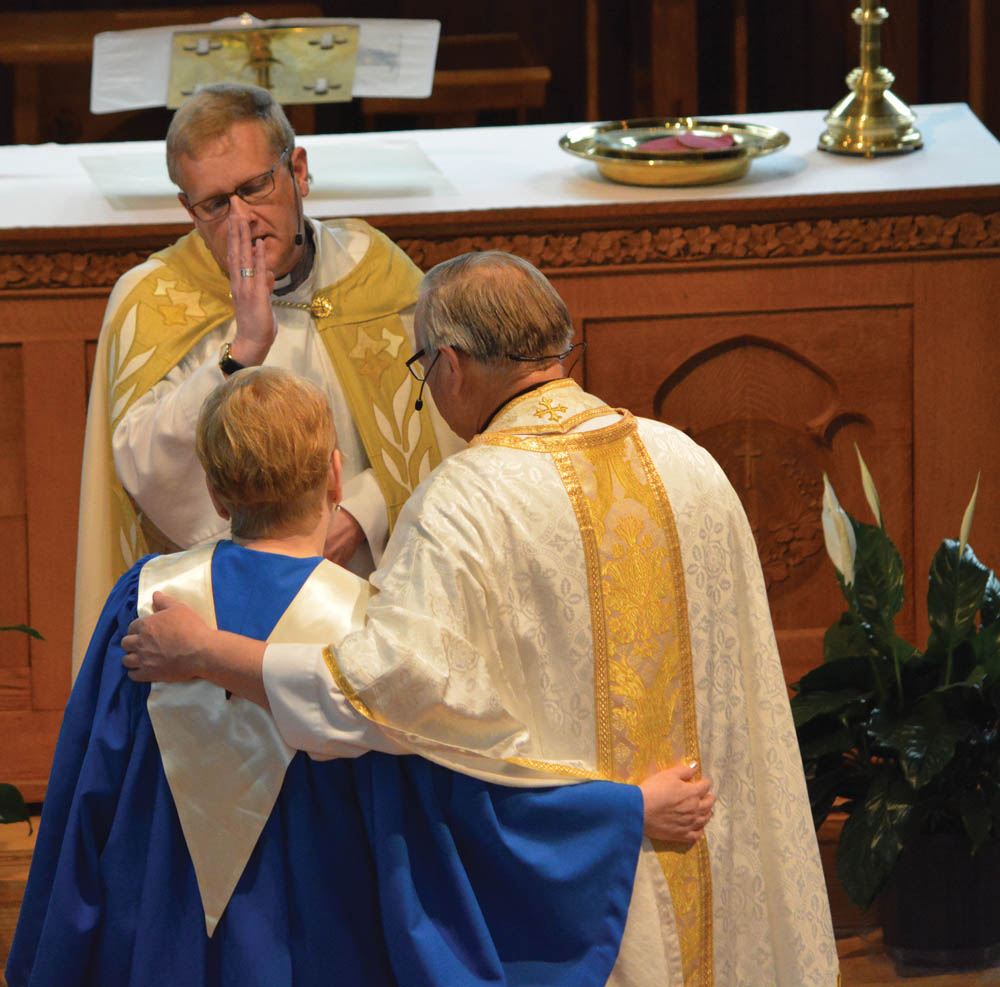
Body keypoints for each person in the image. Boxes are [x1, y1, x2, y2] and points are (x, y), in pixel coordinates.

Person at [122, 253, 840, 985]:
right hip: (710, 849)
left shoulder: (465, 502)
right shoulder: (690, 463)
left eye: (423, 370)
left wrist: (207, 653)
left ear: (452, 367)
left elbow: (374, 693)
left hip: (584, 896)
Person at [9, 367, 693, 987]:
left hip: (161, 941)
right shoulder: (374, 634)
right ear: (337, 480)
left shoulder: (147, 603)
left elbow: (83, 791)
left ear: (215, 493)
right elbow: (468, 801)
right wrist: (624, 811)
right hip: (330, 941)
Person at [72, 82, 462, 674]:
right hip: (220, 618)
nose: (242, 219)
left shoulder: (372, 273)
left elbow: (444, 431)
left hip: (369, 597)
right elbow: (141, 470)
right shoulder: (152, 300)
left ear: (298, 171)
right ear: (187, 209)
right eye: (214, 204)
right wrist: (243, 349)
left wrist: (359, 513)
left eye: (256, 187)